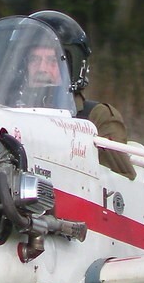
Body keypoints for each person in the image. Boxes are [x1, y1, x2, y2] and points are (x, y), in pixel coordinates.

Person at [29, 11, 136, 180]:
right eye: (34, 60)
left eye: (52, 61)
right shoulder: (4, 110)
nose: (41, 69)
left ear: (73, 65)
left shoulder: (97, 116)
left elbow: (122, 183)